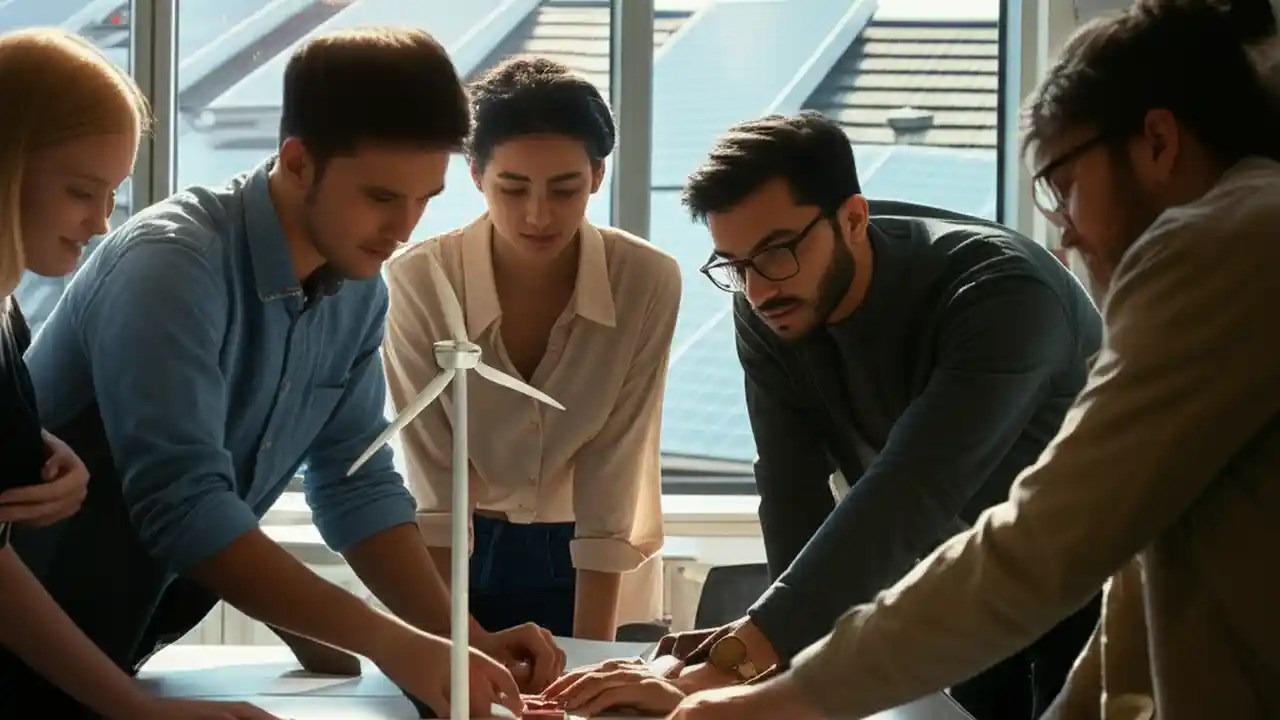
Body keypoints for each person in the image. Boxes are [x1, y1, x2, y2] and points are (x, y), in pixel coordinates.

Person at [664, 1, 1280, 718]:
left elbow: (1037, 537)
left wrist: (774, 694)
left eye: (1060, 184)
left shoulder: (1218, 245)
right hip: (978, 593)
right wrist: (765, 659)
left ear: (1157, 142)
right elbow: (1144, 573)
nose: (1067, 234)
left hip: (1021, 593)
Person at [3, 27, 560, 719]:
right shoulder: (171, 266)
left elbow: (356, 486)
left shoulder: (360, 289)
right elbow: (183, 507)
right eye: (382, 197)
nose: (405, 228)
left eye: (424, 199)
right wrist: (392, 643)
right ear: (297, 163)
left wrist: (460, 641)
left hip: (105, 659)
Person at [544, 110, 1104, 719]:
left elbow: (908, 492)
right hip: (961, 582)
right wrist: (764, 659)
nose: (758, 291)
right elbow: (790, 491)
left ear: (854, 219)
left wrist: (726, 667)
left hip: (1096, 584)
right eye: (734, 265)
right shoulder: (770, 298)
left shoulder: (1004, 294)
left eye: (776, 252)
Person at [0, 28, 276, 720]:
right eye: (80, 192)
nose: (99, 224)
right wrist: (134, 707)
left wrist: (28, 439)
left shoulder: (9, 315)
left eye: (112, 196)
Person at [382, 56, 680, 641]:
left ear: (597, 175)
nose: (538, 215)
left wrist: (589, 658)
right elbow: (434, 477)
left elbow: (616, 462)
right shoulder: (419, 279)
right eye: (512, 188)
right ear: (474, 175)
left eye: (565, 189)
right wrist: (454, 649)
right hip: (456, 553)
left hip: (595, 557)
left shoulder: (646, 279)